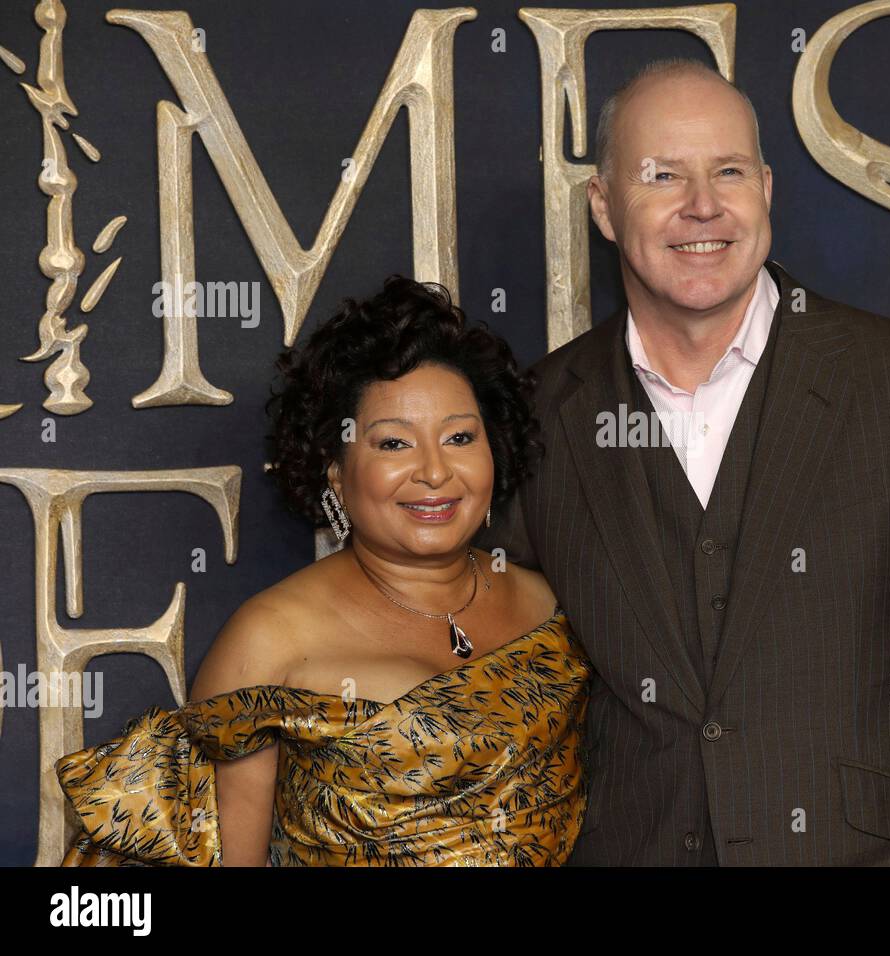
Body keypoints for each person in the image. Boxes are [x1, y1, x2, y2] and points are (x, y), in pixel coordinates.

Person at [476, 58, 890, 865]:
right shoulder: (535, 413)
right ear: (603, 207)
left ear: (767, 190)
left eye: (729, 171)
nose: (701, 206)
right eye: (663, 174)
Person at [56, 276, 590, 866]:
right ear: (335, 471)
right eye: (393, 444)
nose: (435, 472)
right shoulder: (271, 639)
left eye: (460, 437)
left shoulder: (554, 605)